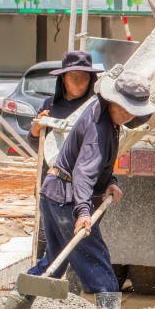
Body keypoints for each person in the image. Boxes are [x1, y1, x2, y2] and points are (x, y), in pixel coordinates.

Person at [3, 66, 155, 309]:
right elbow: (84, 174)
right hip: (65, 197)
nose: (130, 114)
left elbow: (100, 167)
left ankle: (15, 304)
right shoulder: (99, 129)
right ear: (113, 101)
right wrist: (84, 213)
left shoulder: (107, 118)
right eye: (126, 108)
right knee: (97, 257)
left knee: (55, 259)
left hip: (54, 192)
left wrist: (110, 182)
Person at [27, 51, 102, 286]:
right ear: (63, 79)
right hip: (53, 184)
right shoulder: (49, 106)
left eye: (83, 76)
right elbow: (35, 144)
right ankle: (40, 286)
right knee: (52, 242)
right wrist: (36, 129)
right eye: (73, 76)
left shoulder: (96, 107)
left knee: (80, 239)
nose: (78, 81)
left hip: (83, 185)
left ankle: (63, 285)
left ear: (91, 80)